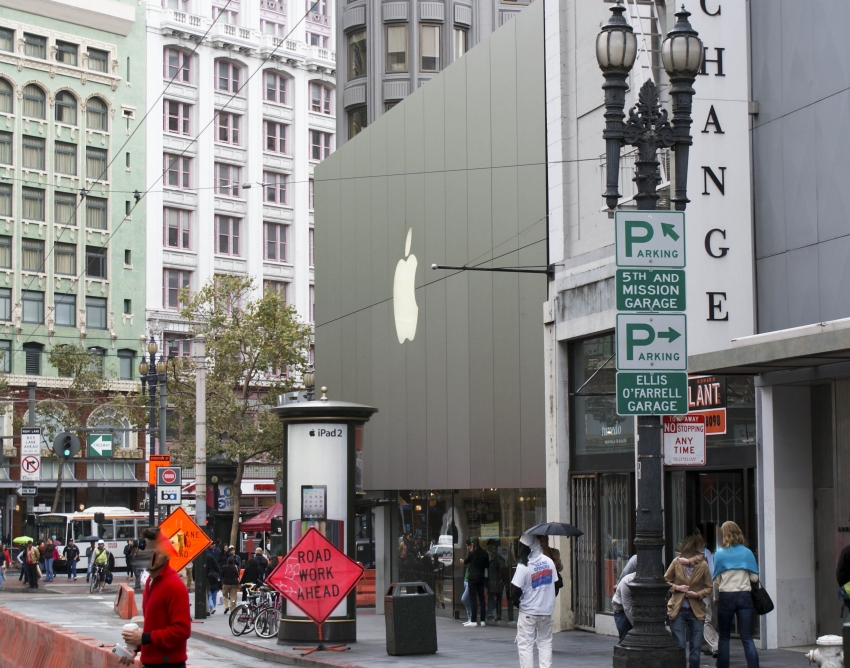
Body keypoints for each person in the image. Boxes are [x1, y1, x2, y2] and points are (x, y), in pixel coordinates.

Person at [120, 526, 191, 667]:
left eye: (157, 552)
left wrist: (144, 638)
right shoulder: (150, 582)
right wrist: (136, 648)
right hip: (150, 663)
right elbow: (154, 626)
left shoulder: (174, 586)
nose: (151, 556)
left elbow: (182, 630)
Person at [713, 521, 759, 668]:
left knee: (724, 637)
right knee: (747, 637)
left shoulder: (720, 555)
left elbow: (716, 581)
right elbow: (755, 578)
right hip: (744, 596)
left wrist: (715, 597)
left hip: (726, 596)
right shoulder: (747, 552)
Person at [665, 533, 713, 668]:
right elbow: (665, 581)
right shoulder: (676, 562)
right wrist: (677, 587)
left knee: (696, 648)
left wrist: (697, 594)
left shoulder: (702, 566)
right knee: (680, 645)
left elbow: (709, 587)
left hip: (696, 610)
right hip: (678, 609)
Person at [510, 534, 557, 668]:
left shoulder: (523, 566)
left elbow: (515, 591)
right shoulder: (549, 562)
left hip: (528, 611)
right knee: (545, 642)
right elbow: (556, 584)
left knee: (525, 644)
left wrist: (518, 603)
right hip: (546, 611)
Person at [463, 536, 489, 627]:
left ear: (473, 543)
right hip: (481, 577)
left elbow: (466, 562)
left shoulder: (472, 553)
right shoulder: (485, 553)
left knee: (473, 599)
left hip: (472, 578)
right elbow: (487, 565)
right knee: (482, 599)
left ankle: (473, 620)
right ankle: (482, 620)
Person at [612, 571, 636, 642]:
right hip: (622, 610)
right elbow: (627, 608)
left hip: (636, 608)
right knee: (625, 639)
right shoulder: (627, 582)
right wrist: (637, 627)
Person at [486, 539, 506, 622]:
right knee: (493, 598)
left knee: (497, 599)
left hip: (497, 582)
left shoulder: (498, 559)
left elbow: (502, 570)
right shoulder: (492, 560)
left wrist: (502, 581)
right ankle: (491, 612)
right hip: (492, 581)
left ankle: (497, 614)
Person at [206, 547, 221, 615]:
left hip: (203, 576)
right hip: (211, 577)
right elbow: (216, 566)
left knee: (208, 594)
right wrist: (219, 573)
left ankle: (211, 607)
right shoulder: (210, 556)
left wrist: (194, 577)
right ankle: (212, 606)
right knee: (212, 591)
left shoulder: (199, 556)